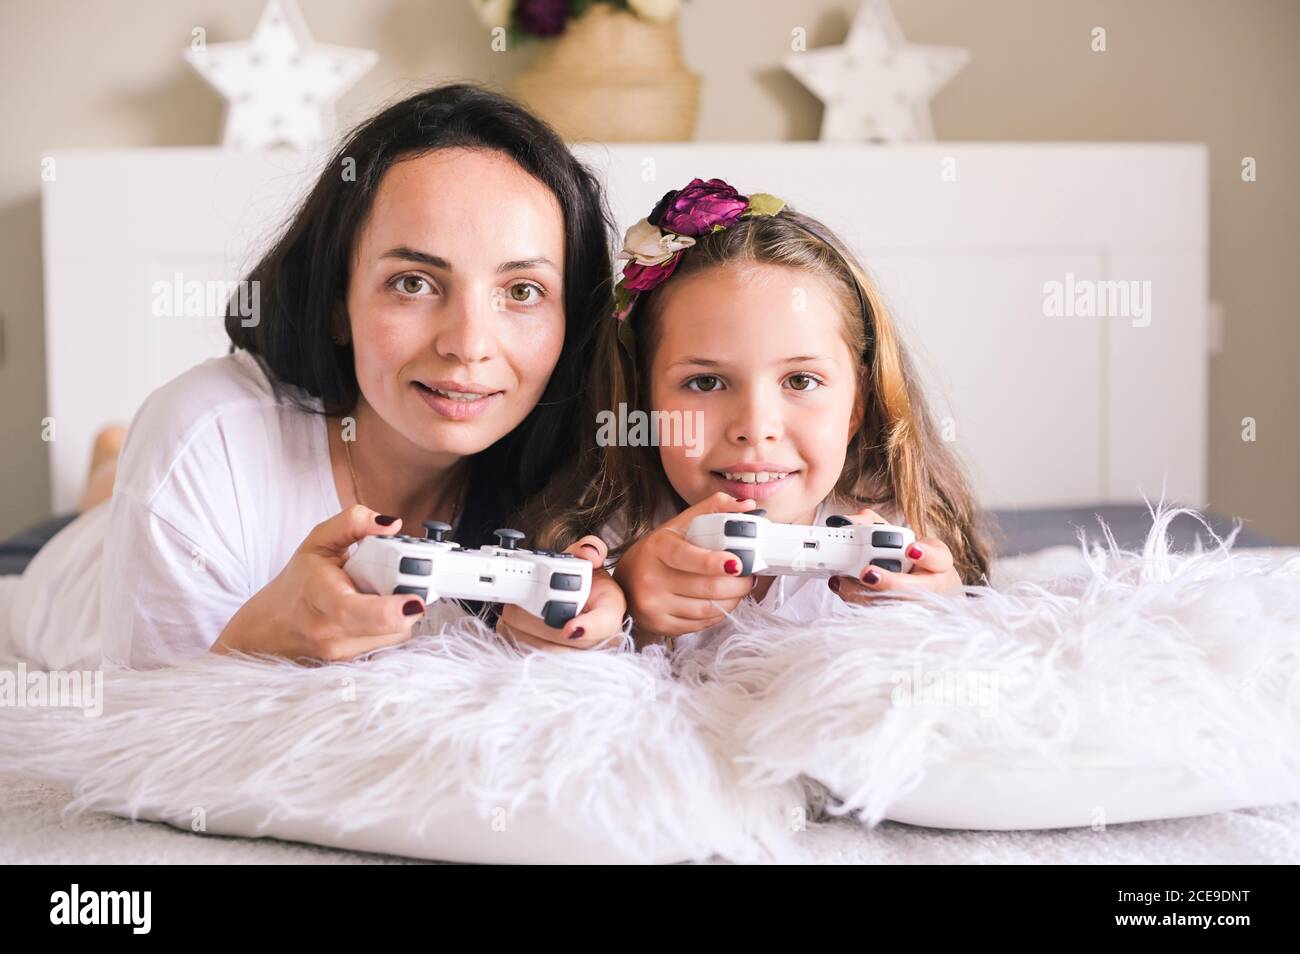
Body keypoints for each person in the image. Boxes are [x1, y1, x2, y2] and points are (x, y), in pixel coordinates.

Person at [5, 83, 628, 670]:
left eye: (522, 290)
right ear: (338, 302)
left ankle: (107, 466)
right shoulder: (202, 438)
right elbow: (137, 735)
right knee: (105, 507)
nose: (467, 345)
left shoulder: (594, 458)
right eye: (412, 283)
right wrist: (248, 647)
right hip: (58, 574)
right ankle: (108, 470)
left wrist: (627, 603)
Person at [525, 177, 992, 649]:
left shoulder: (903, 533)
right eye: (705, 382)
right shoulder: (605, 540)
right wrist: (626, 617)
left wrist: (945, 615)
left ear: (857, 406)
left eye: (800, 381)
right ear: (645, 403)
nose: (754, 428)